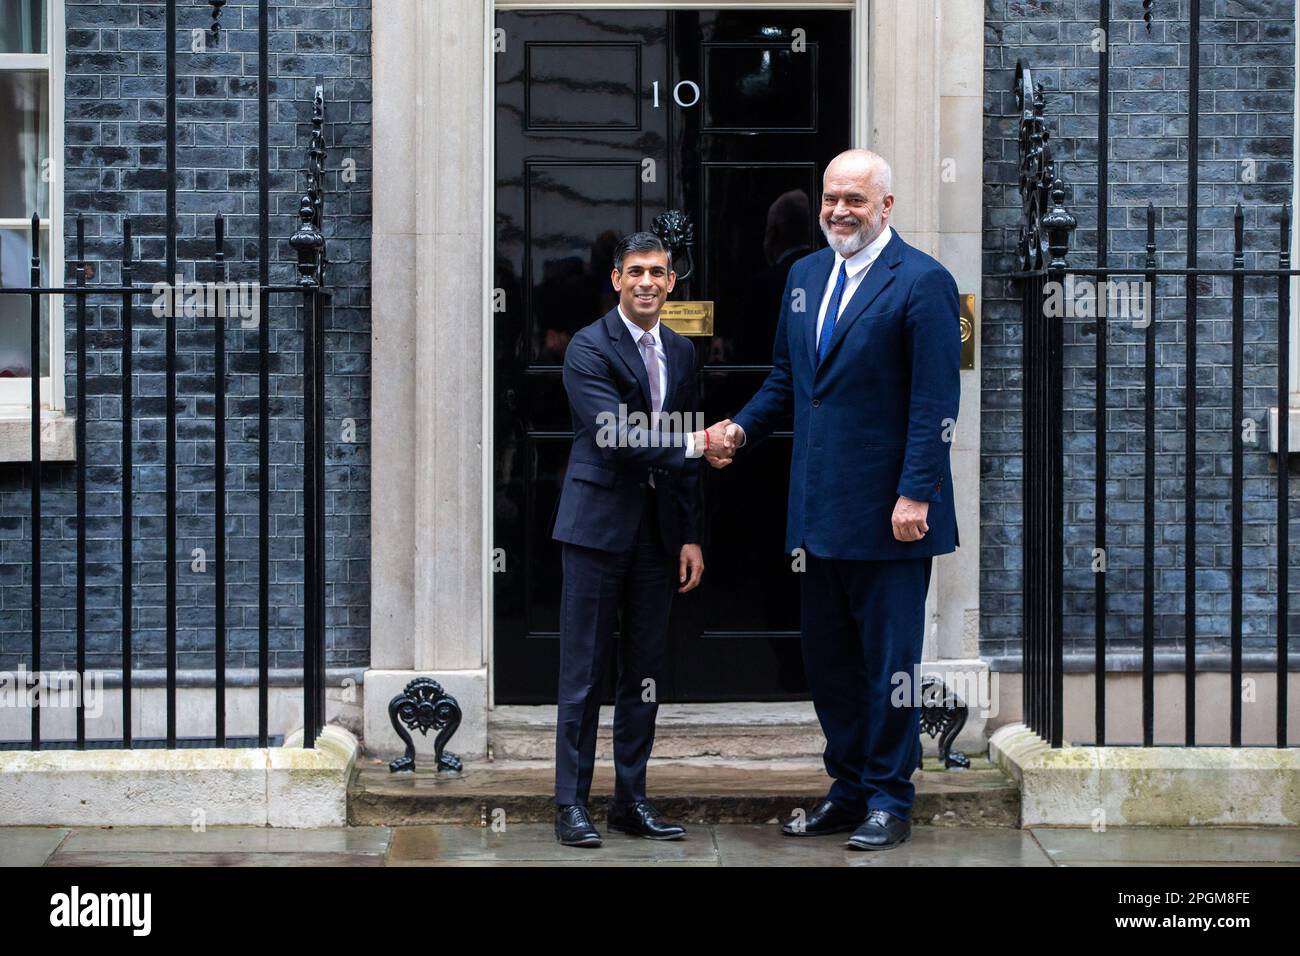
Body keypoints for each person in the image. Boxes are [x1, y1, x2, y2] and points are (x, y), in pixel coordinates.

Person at [711, 148, 961, 850]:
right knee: (828, 666)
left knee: (888, 668)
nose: (839, 211)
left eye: (855, 199)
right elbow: (787, 381)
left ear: (886, 206)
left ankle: (889, 799)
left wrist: (915, 494)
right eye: (831, 198)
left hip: (891, 517)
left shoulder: (923, 281)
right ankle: (848, 790)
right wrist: (740, 428)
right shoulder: (806, 276)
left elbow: (936, 401)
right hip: (817, 512)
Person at [550, 231, 732, 847]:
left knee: (644, 673)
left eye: (657, 272)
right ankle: (571, 804)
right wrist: (698, 442)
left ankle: (631, 801)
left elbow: (683, 455)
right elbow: (615, 435)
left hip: (657, 538)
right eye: (635, 272)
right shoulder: (588, 347)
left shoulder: (680, 351)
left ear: (671, 281)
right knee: (583, 673)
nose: (647, 282)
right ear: (616, 280)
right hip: (596, 530)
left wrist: (690, 535)